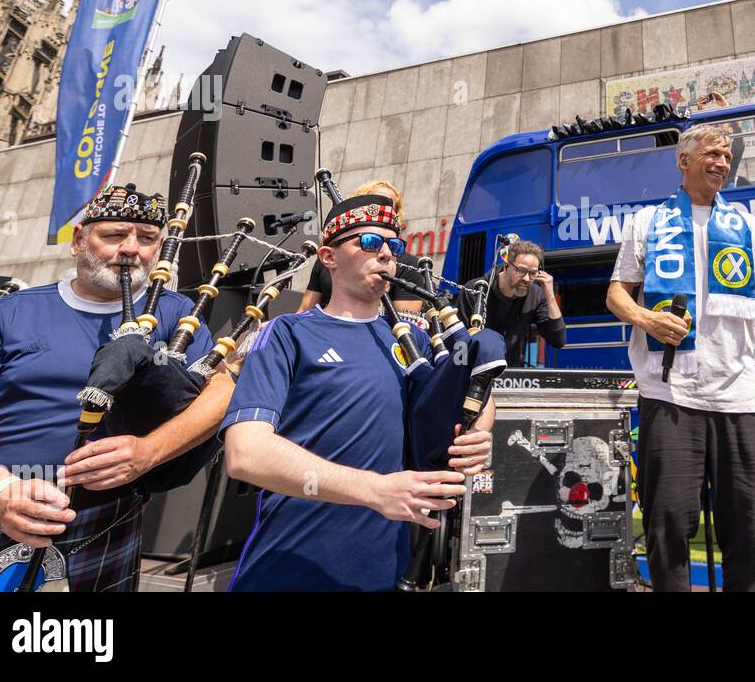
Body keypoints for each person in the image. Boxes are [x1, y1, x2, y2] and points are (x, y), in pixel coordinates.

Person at [0, 184, 230, 592]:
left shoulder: (176, 313)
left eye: (147, 239)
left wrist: (149, 452)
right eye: (114, 235)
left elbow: (221, 393)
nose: (131, 249)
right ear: (78, 241)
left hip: (106, 517)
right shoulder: (13, 311)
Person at [221, 194, 492, 591]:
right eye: (368, 243)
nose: (385, 254)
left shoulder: (415, 339)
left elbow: (476, 387)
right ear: (329, 257)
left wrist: (478, 431)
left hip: (384, 570)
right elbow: (245, 455)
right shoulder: (285, 334)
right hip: (290, 566)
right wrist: (375, 490)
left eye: (393, 246)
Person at [605, 123, 755, 592]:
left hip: (738, 397)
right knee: (667, 528)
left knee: (745, 532)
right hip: (668, 395)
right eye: (713, 153)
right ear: (684, 161)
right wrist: (646, 319)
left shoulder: (745, 224)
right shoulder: (647, 222)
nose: (723, 163)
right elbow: (616, 296)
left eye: (728, 155)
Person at [298, 179, 423, 314]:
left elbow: (407, 322)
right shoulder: (331, 257)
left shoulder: (407, 263)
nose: (379, 209)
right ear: (329, 257)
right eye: (373, 203)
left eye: (389, 206)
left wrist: (378, 293)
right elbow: (305, 308)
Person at [454, 239, 565, 367]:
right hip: (476, 369)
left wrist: (550, 295)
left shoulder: (536, 294)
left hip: (511, 373)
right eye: (521, 271)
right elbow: (459, 338)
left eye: (533, 273)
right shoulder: (475, 289)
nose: (526, 279)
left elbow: (558, 340)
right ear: (506, 266)